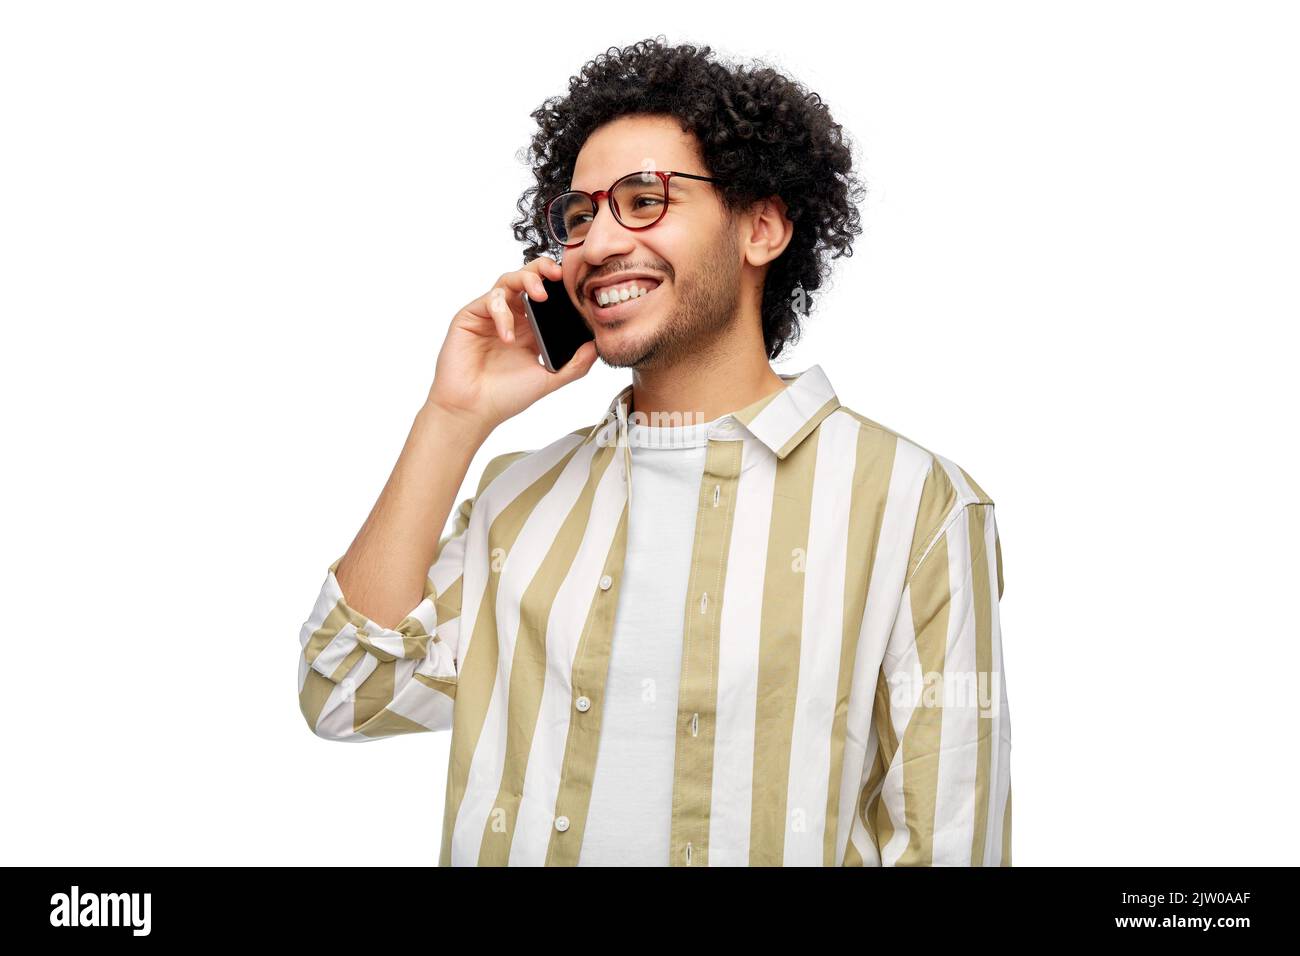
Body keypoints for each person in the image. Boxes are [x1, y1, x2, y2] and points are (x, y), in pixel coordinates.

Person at [296, 37, 1012, 867]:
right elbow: (343, 691)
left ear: (763, 228)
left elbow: (950, 839)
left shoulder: (915, 504)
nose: (596, 243)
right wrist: (453, 416)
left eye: (643, 199)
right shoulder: (516, 500)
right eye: (580, 215)